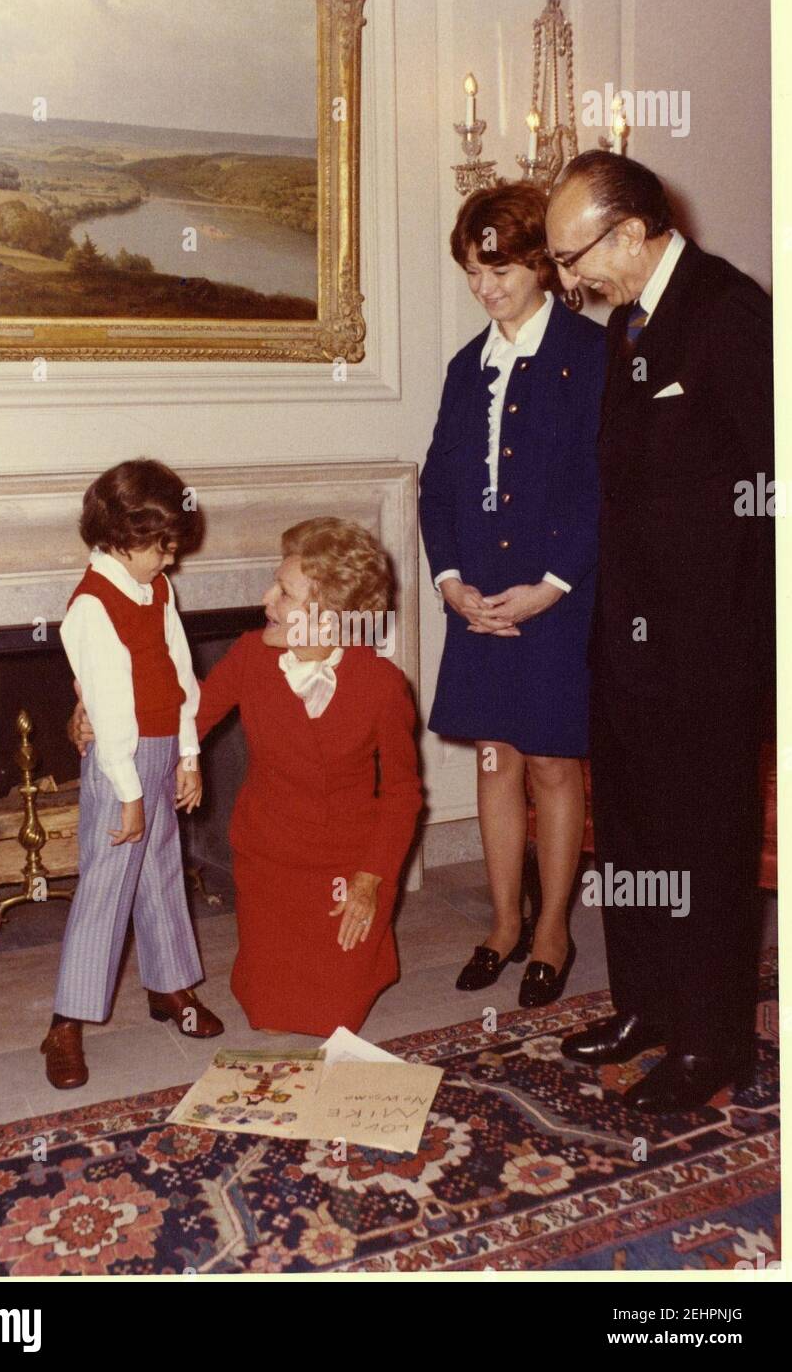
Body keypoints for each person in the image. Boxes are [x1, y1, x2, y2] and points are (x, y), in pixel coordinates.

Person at [546, 151, 774, 1112]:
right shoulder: (626, 325)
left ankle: (715, 1041)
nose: (567, 282)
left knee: (704, 845)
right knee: (632, 836)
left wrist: (738, 633)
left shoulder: (731, 313)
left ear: (632, 231)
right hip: (627, 640)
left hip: (708, 649)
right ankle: (646, 1006)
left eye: (573, 257)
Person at [71, 516, 423, 1037]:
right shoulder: (250, 656)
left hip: (348, 870)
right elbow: (183, 717)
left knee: (335, 1018)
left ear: (328, 618)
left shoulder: (382, 686)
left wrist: (371, 881)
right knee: (270, 1013)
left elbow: (402, 795)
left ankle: (366, 953)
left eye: (284, 591)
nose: (266, 599)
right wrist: (95, 712)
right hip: (270, 861)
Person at [420, 182, 605, 1008]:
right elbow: (439, 488)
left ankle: (553, 931)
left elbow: (604, 486)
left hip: (557, 598)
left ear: (539, 261)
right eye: (471, 272)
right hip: (480, 598)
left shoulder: (593, 355)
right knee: (496, 760)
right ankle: (502, 924)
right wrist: (450, 579)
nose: (486, 287)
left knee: (554, 765)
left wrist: (552, 586)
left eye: (498, 269)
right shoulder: (468, 366)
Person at [41, 459, 223, 1090]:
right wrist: (127, 793)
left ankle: (170, 989)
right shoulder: (92, 606)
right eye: (160, 546)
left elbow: (179, 677)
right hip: (118, 760)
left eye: (173, 547)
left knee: (161, 870)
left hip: (161, 747)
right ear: (120, 535)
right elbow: (111, 707)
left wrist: (190, 755)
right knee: (107, 883)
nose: (168, 560)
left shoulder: (158, 591)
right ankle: (65, 1022)